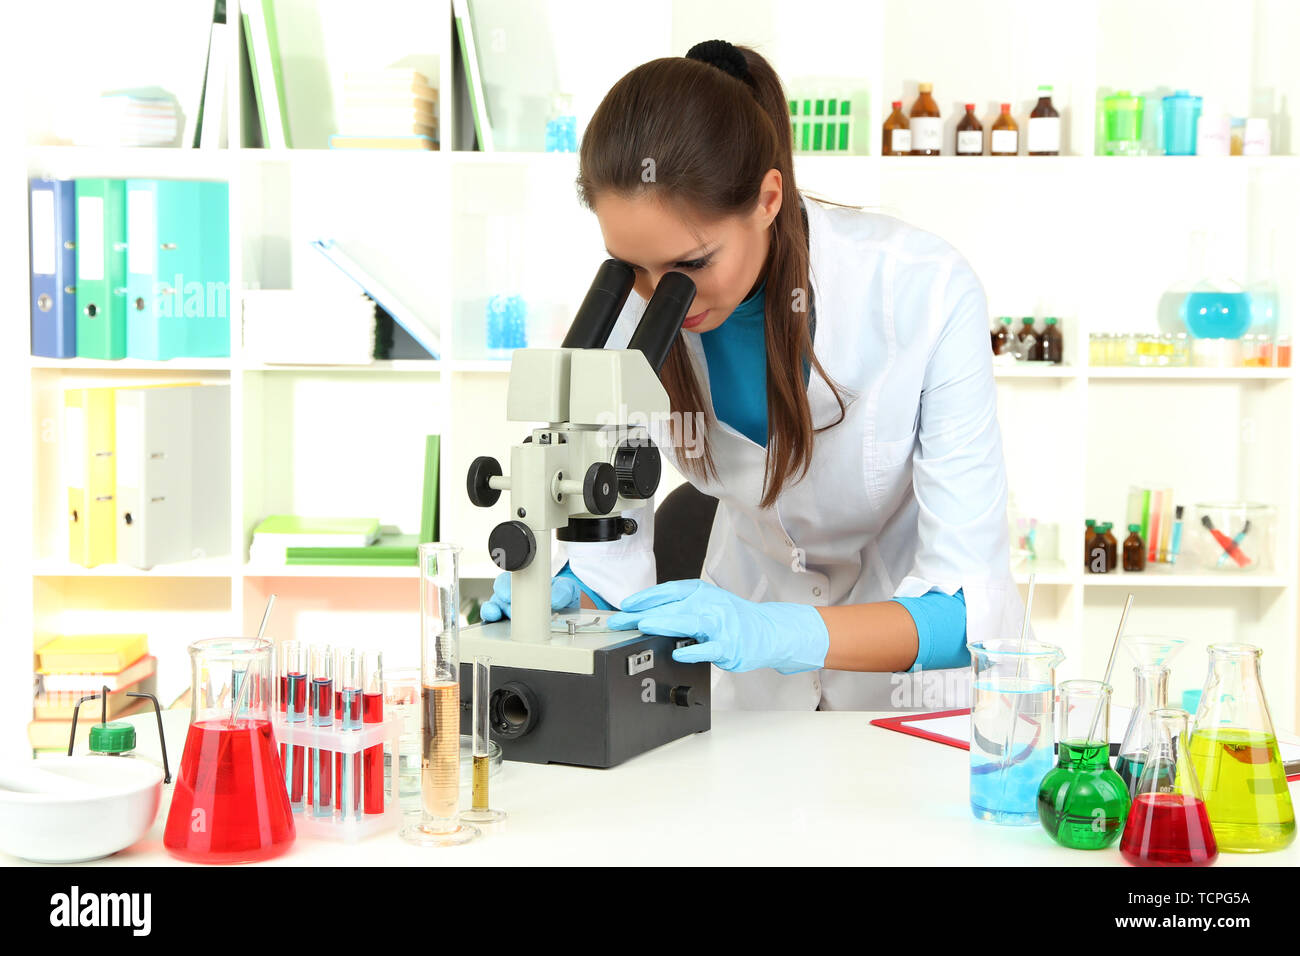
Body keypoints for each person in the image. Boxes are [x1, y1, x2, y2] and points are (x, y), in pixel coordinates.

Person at [482, 40, 1023, 710]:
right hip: (749, 677)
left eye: (692, 263)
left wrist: (778, 631)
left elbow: (970, 610)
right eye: (631, 267)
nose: (658, 296)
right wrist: (561, 595)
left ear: (768, 198)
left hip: (908, 685)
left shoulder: (923, 291)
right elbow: (609, 566)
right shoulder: (629, 325)